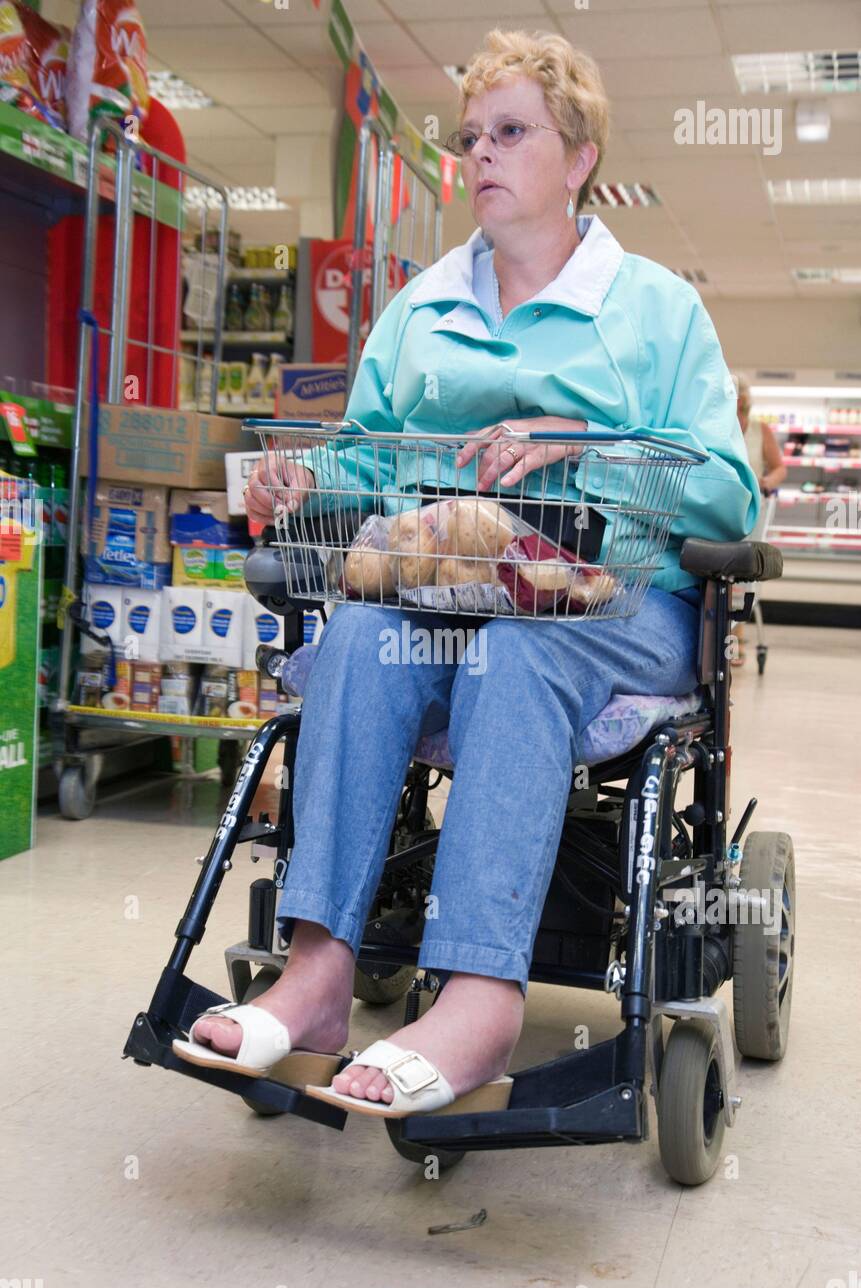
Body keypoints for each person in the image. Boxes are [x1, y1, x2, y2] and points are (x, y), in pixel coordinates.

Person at [173, 29, 760, 1118]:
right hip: (435, 596)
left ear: (578, 156)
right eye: (468, 136)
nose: (478, 154)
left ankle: (482, 994)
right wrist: (301, 490)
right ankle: (317, 974)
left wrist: (585, 445)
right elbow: (356, 464)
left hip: (614, 605)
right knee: (352, 635)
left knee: (513, 651)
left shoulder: (652, 313)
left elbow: (729, 494)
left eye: (510, 131)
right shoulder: (417, 310)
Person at [730, 375, 786, 665]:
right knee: (723, 569)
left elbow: (779, 468)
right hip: (725, 509)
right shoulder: (718, 427)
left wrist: (766, 481)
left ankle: (735, 635)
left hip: (753, 511)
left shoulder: (760, 431)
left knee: (742, 572)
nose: (738, 414)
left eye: (742, 408)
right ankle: (725, 636)